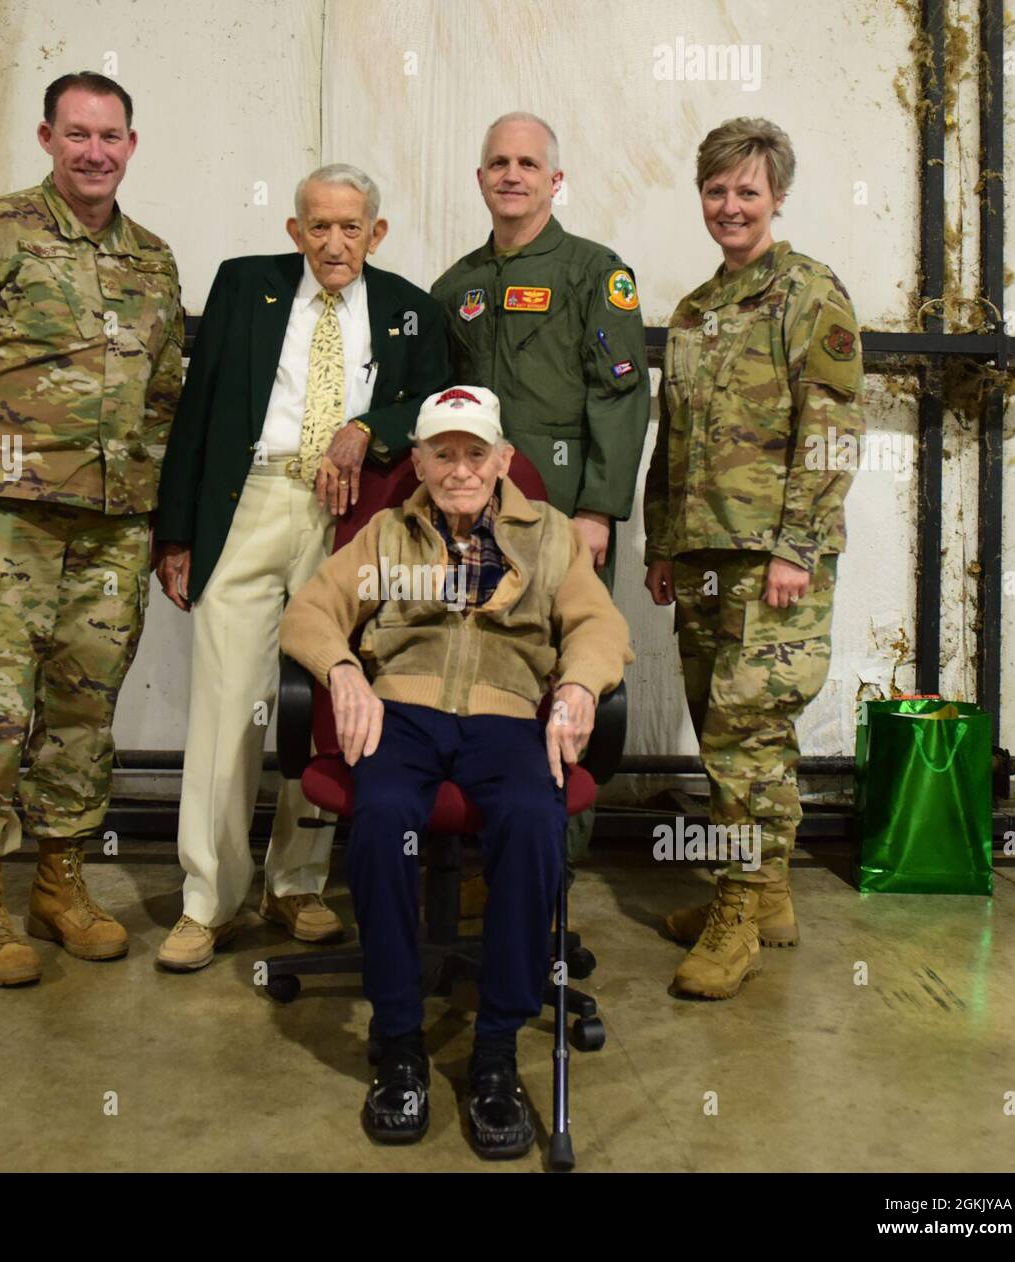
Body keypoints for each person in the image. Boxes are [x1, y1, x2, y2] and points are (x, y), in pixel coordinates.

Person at [0, 72, 184, 986]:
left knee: (84, 710)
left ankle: (60, 881)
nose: (96, 151)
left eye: (112, 136)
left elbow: (166, 394)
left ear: (133, 144)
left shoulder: (155, 259)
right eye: (78, 134)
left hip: (113, 526)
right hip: (2, 520)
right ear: (48, 137)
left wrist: (161, 520)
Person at [280, 385, 631, 1159]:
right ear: (420, 461)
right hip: (401, 713)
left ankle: (498, 1053)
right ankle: (399, 1040)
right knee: (379, 821)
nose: (461, 468)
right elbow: (308, 611)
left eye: (477, 453)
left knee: (535, 823)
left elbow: (601, 625)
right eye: (444, 453)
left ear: (503, 459)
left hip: (508, 716)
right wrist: (341, 671)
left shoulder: (549, 539)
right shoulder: (384, 534)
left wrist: (577, 684)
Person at [151, 165, 450, 972]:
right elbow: (199, 406)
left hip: (347, 517)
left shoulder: (410, 311)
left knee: (326, 700)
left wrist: (366, 428)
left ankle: (298, 883)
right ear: (294, 231)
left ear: (376, 234)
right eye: (318, 226)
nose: (334, 242)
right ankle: (206, 899)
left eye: (351, 228)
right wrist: (175, 531)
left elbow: (434, 409)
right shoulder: (245, 289)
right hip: (248, 501)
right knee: (226, 706)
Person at [642, 117, 865, 1000]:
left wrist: (799, 547)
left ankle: (738, 911)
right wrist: (662, 543)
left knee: (748, 737)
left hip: (776, 559)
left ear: (777, 197)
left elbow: (833, 432)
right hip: (701, 553)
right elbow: (676, 440)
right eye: (716, 190)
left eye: (747, 191)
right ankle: (767, 893)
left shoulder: (812, 294)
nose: (730, 206)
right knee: (718, 730)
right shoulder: (695, 310)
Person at [431, 111, 649, 888]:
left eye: (528, 163)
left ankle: (554, 858)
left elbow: (622, 396)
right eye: (498, 163)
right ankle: (489, 842)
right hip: (474, 517)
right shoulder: (455, 287)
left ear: (555, 180)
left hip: (564, 516)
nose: (512, 174)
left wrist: (597, 509)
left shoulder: (595, 272)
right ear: (481, 179)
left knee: (568, 670)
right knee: (488, 668)